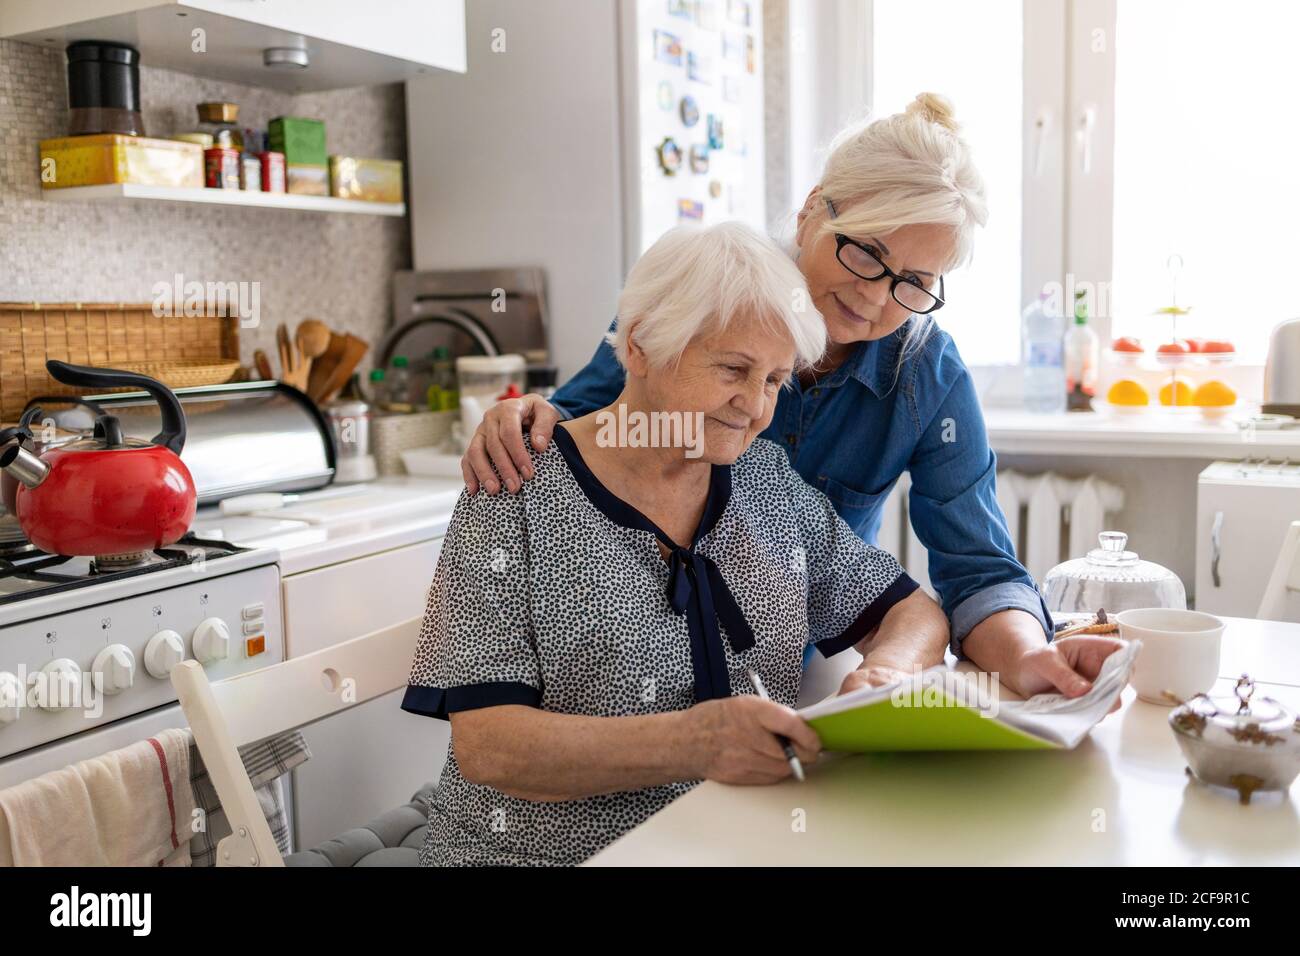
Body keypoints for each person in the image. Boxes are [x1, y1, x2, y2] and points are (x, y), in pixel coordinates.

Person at [461, 92, 1124, 701]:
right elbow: (579, 431)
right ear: (812, 211)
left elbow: (978, 571)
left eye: (913, 280)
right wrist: (523, 417)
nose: (872, 295)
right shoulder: (703, 298)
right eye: (866, 252)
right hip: (627, 674)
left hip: (788, 674)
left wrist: (1030, 654)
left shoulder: (928, 375)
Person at [402, 222, 948, 865]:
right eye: (733, 369)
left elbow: (913, 612)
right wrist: (692, 743)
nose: (754, 407)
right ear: (639, 346)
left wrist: (887, 671)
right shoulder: (516, 486)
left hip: (729, 847)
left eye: (775, 381)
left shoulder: (767, 484)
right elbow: (489, 746)